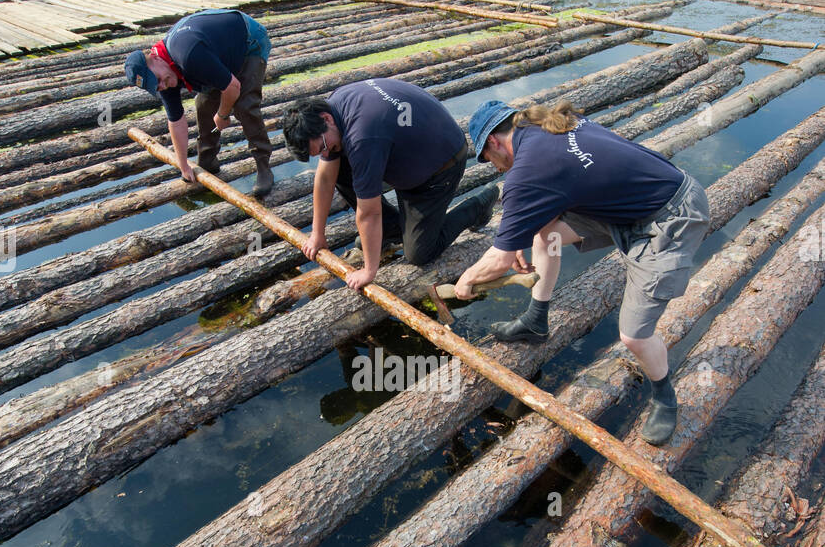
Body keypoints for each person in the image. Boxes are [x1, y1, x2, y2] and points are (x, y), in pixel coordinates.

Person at [455, 99, 711, 445]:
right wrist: (517, 238)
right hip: (631, 207)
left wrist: (468, 279)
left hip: (672, 216)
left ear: (494, 143)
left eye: (489, 160)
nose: (496, 168)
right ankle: (536, 318)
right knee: (546, 235)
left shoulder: (528, 169)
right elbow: (553, 193)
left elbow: (499, 261)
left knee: (634, 335)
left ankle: (664, 396)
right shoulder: (546, 126)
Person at [282, 78, 499, 292]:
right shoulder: (335, 109)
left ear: (325, 118)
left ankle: (477, 208)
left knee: (419, 254)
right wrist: (317, 233)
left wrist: (369, 270)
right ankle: (388, 231)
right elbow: (325, 178)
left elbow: (369, 214)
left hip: (439, 166)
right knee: (337, 166)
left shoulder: (362, 137)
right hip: (408, 150)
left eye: (323, 147)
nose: (326, 153)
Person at [124, 8, 274, 193]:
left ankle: (263, 167)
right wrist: (183, 165)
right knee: (203, 104)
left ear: (155, 57)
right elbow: (176, 121)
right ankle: (208, 161)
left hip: (248, 40)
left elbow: (232, 87)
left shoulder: (188, 55)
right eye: (156, 86)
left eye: (159, 80)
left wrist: (223, 114)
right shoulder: (163, 77)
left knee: (245, 105)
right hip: (215, 55)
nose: (161, 85)